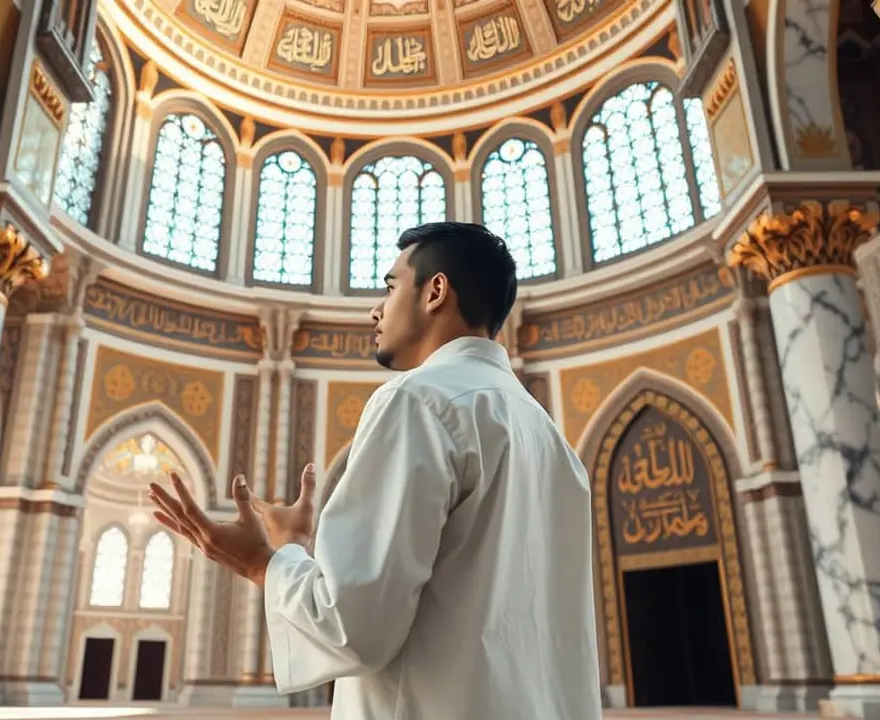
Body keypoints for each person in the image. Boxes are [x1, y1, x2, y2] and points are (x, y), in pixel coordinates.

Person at [148, 222, 601, 719]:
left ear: (436, 291)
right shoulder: (553, 442)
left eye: (389, 287)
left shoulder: (418, 400)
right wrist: (297, 549)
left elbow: (354, 627)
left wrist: (263, 561)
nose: (375, 309)